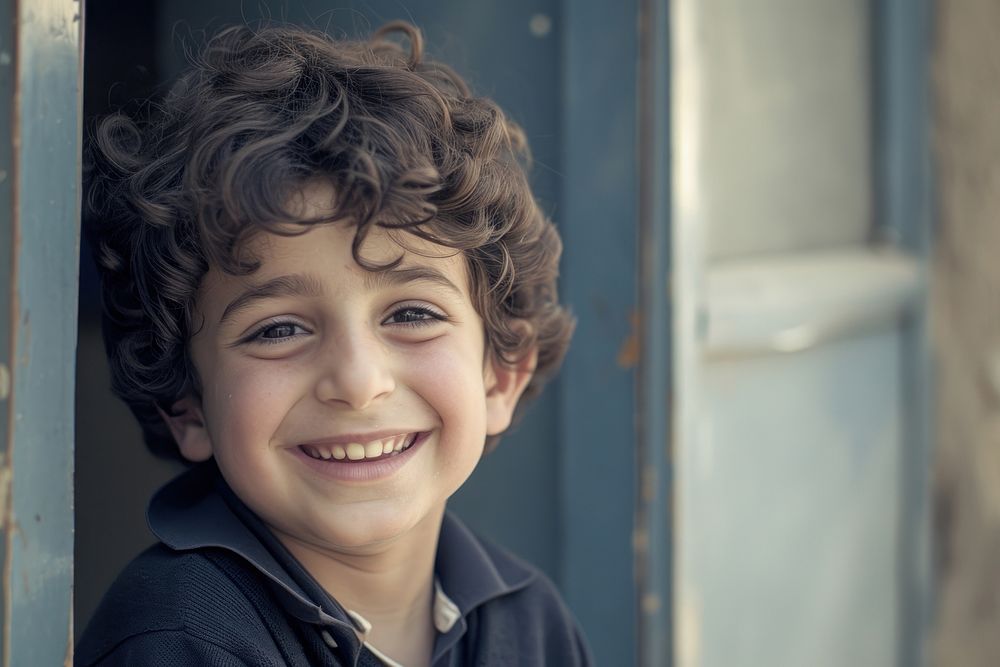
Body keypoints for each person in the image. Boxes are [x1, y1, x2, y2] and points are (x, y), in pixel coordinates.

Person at [75, 19, 589, 667]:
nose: (357, 379)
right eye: (279, 329)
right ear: (187, 406)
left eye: (411, 313)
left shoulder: (532, 624)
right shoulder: (181, 635)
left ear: (501, 375)